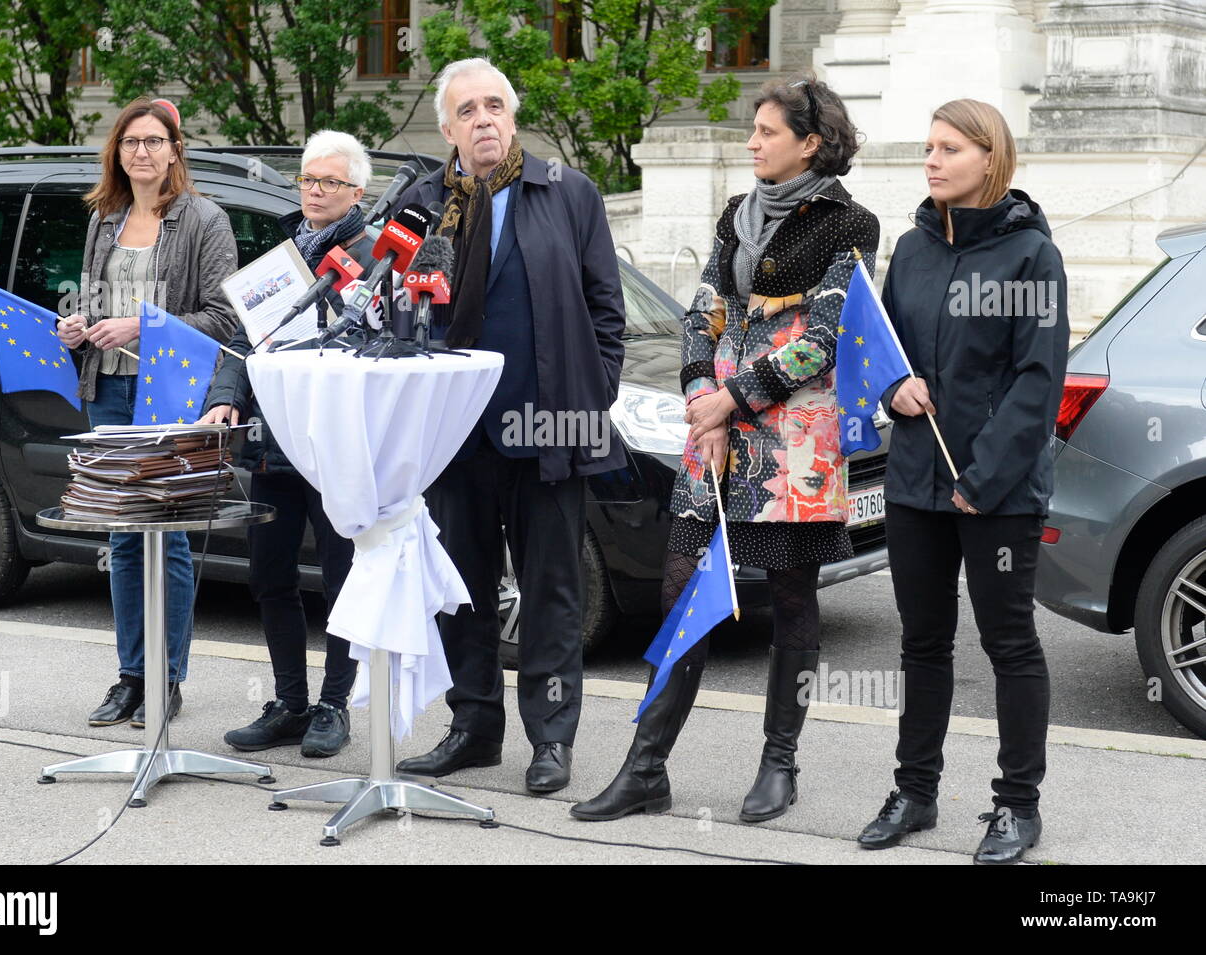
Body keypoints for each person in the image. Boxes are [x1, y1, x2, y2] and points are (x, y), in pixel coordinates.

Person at [570, 75, 879, 823]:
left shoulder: (851, 224)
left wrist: (733, 397)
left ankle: (780, 763)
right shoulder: (738, 212)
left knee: (792, 600)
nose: (751, 142)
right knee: (680, 599)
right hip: (713, 435)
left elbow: (827, 340)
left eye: (766, 132)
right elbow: (703, 310)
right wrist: (701, 397)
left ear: (809, 143)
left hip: (792, 444)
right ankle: (646, 768)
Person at [391, 57, 627, 794]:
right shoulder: (423, 201)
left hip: (546, 427)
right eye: (468, 109)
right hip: (454, 434)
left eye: (495, 105)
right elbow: (393, 306)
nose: (484, 118)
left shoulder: (566, 193)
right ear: (447, 127)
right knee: (461, 589)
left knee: (552, 591)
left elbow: (606, 313)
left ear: (513, 117)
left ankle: (551, 740)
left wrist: (589, 398)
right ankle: (473, 728)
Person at [855, 100, 1068, 864]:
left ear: (989, 157)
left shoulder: (1031, 255)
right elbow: (882, 349)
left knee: (1010, 643)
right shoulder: (911, 248)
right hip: (915, 480)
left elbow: (1038, 381)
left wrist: (983, 476)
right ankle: (915, 791)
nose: (933, 161)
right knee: (922, 641)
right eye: (928, 147)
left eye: (949, 148)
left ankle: (1017, 806)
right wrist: (892, 391)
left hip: (996, 491)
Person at [55, 98, 238, 727]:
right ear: (118, 152)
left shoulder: (205, 220)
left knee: (171, 537)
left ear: (174, 150)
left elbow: (224, 318)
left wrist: (143, 324)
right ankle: (131, 676)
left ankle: (168, 677)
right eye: (131, 141)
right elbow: (95, 301)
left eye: (155, 141)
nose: (142, 152)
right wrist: (79, 325)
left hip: (170, 396)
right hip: (107, 390)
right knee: (122, 536)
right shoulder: (104, 220)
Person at [200, 130, 378, 757]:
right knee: (269, 576)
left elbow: (391, 342)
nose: (314, 190)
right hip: (274, 442)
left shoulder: (379, 253)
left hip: (336, 445)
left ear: (357, 190)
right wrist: (227, 395)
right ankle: (289, 702)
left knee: (340, 581)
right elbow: (248, 340)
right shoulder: (283, 254)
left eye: (329, 181)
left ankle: (335, 706)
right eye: (307, 179)